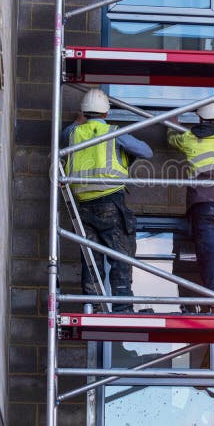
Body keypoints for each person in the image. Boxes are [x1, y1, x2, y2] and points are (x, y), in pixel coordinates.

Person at [61, 88, 153, 313]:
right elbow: (146, 152)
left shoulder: (71, 134)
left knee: (91, 259)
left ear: (84, 111)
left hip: (81, 205)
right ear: (105, 113)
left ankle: (92, 307)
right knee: (120, 256)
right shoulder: (114, 133)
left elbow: (69, 132)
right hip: (110, 203)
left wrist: (79, 121)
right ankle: (122, 307)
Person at [167, 101, 214, 314]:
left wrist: (173, 121)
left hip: (203, 203)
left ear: (200, 119)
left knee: (208, 257)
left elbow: (171, 138)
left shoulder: (189, 138)